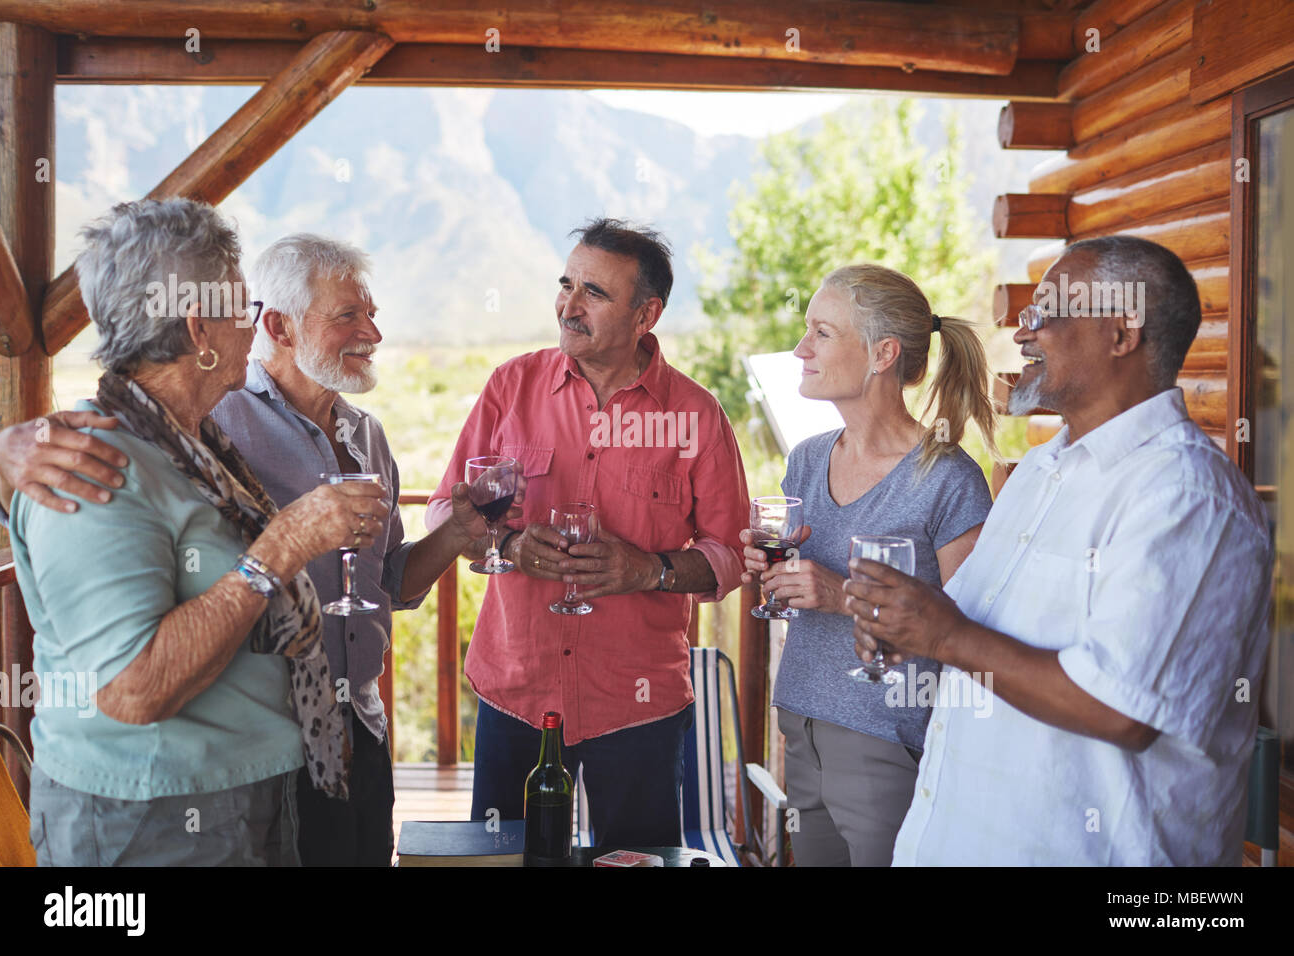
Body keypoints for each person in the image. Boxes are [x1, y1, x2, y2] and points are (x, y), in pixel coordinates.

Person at [0, 231, 514, 866]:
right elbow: (134, 683)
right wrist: (3, 456)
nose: (373, 333)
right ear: (274, 325)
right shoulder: (204, 423)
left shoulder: (346, 435)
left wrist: (459, 532)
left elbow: (387, 584)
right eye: (349, 315)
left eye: (372, 314)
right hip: (194, 787)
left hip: (347, 732)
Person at [844, 236, 1272, 866]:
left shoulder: (1187, 498)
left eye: (1046, 314)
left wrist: (943, 636)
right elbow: (967, 624)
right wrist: (904, 627)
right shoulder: (1043, 469)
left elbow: (1123, 708)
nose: (1023, 335)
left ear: (1122, 331)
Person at [425, 218, 749, 847]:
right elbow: (444, 512)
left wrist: (648, 571)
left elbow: (731, 555)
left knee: (636, 861)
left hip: (638, 704)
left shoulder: (697, 416)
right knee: (504, 861)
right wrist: (510, 548)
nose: (568, 306)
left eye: (594, 293)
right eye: (566, 284)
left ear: (645, 314)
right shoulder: (509, 387)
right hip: (515, 689)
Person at [740, 264, 994, 866]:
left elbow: (972, 635)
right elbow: (796, 577)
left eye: (821, 334)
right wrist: (769, 566)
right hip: (800, 723)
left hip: (888, 740)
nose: (801, 349)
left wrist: (836, 593)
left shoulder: (948, 479)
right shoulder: (806, 460)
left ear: (882, 353)